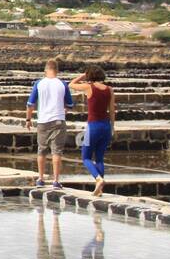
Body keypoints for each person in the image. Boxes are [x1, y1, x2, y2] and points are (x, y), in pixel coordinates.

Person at [25, 58, 73, 188]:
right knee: (56, 151)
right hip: (58, 120)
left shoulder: (39, 84)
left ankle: (40, 179)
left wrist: (28, 119)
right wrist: (64, 110)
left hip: (42, 121)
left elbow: (30, 104)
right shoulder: (63, 84)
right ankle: (56, 181)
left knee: (42, 151)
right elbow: (69, 104)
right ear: (57, 70)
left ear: (45, 70)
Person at [70, 64, 116, 196]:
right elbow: (112, 111)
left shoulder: (88, 87)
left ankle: (98, 178)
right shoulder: (110, 89)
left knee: (85, 157)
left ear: (90, 76)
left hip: (93, 127)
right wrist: (112, 127)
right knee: (100, 158)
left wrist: (83, 76)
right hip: (106, 126)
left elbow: (71, 84)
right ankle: (99, 189)